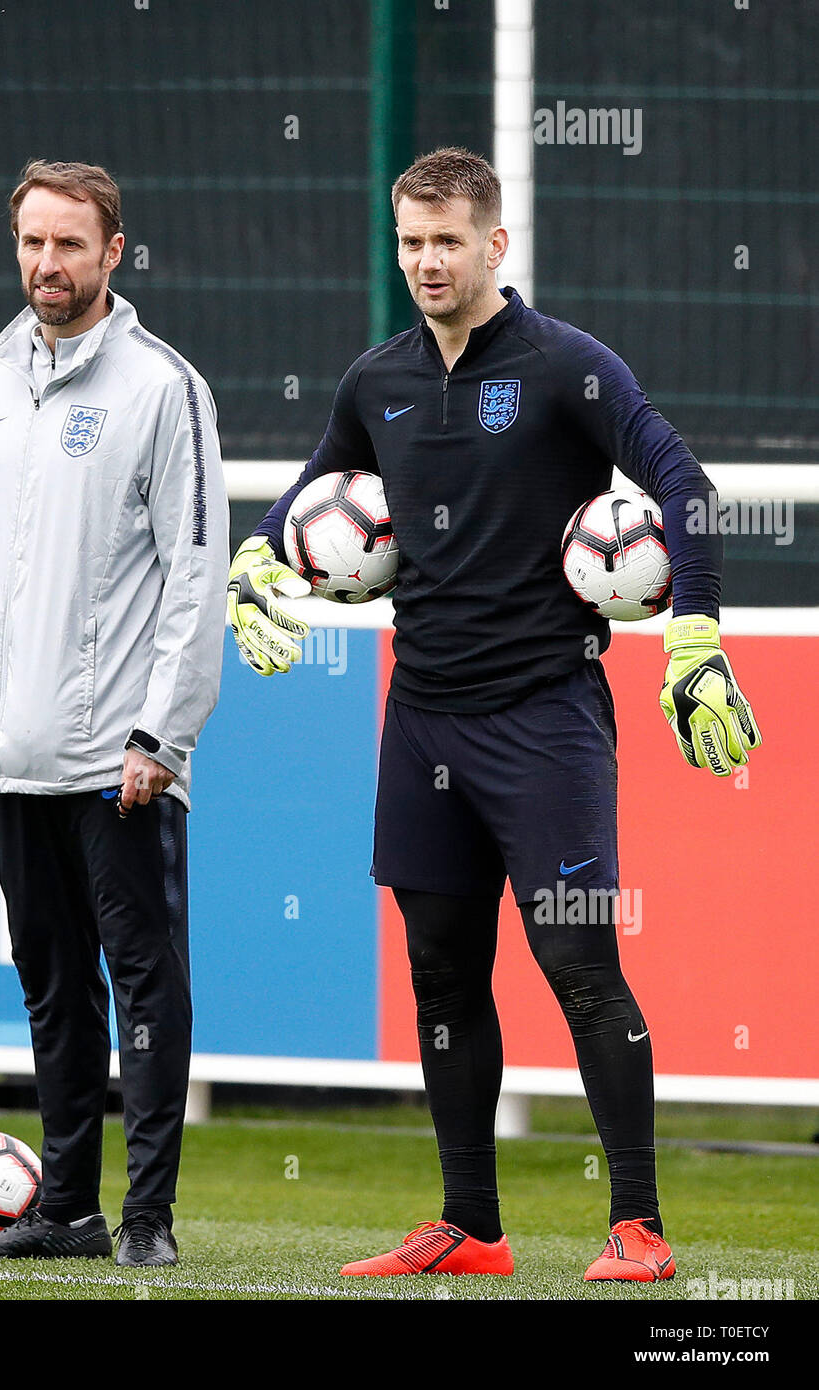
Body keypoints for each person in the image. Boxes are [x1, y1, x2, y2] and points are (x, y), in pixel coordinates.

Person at [227, 147, 759, 1282]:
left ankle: (637, 1227)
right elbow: (311, 491)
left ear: (493, 245)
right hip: (419, 718)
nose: (425, 260)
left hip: (547, 716)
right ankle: (470, 1225)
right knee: (439, 973)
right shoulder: (376, 379)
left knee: (577, 959)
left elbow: (686, 486)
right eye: (409, 240)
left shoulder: (567, 365)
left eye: (446, 241)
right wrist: (254, 558)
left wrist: (694, 635)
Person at [0, 159, 229, 1267]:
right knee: (50, 981)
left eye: (70, 245)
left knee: (144, 979)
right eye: (32, 243)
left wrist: (162, 733)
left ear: (113, 255)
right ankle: (67, 1211)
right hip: (12, 748)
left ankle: (147, 1219)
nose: (48, 264)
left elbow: (195, 578)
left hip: (116, 757)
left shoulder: (160, 387)